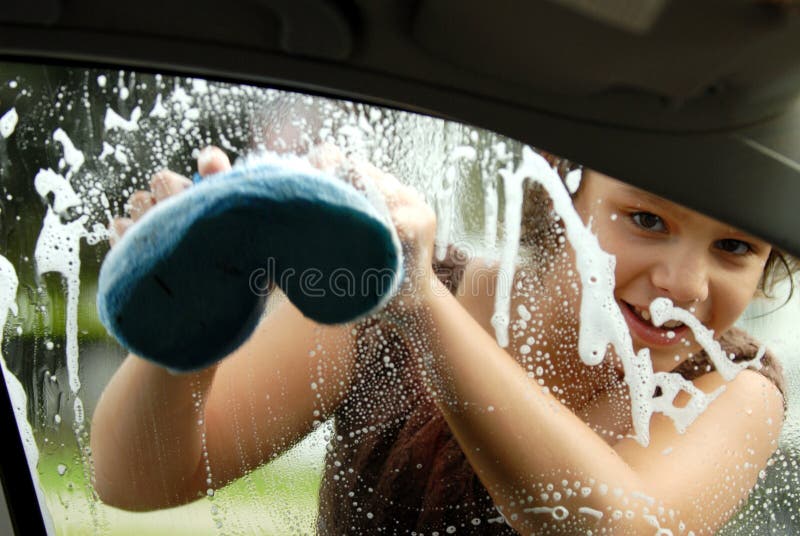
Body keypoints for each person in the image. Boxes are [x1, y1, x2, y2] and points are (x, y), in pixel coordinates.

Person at [90, 143, 791, 535]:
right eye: (645, 220)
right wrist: (193, 318)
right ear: (559, 190)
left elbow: (615, 530)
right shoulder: (386, 287)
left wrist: (423, 306)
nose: (687, 283)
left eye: (734, 246)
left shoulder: (733, 388)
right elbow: (133, 478)